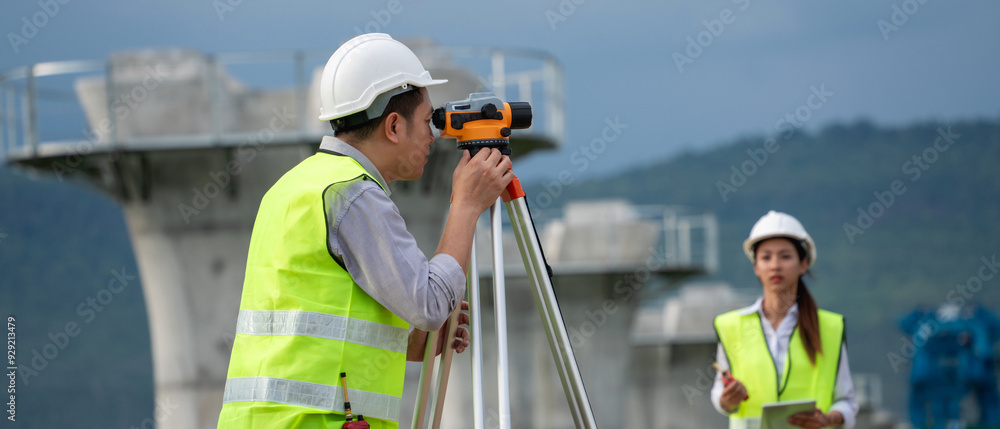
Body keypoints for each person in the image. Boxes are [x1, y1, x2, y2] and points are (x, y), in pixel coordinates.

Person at [217, 33, 513, 428]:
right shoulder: (352, 195)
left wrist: (415, 345)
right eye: (427, 122)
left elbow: (310, 328)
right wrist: (468, 205)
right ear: (393, 126)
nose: (434, 135)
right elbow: (427, 305)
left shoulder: (293, 187)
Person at [711, 211, 858, 429]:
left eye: (785, 256)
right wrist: (726, 400)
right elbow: (718, 391)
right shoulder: (731, 326)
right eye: (766, 257)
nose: (775, 265)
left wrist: (828, 419)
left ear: (803, 264)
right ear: (756, 268)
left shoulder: (829, 328)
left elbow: (846, 401)